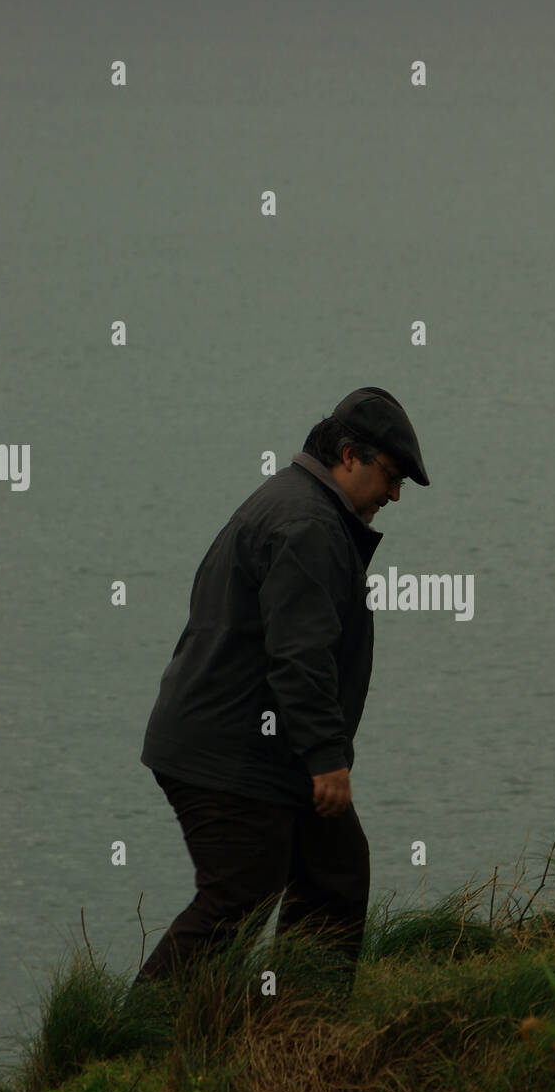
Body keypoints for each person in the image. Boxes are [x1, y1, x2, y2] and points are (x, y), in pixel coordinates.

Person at [133, 386, 430, 993]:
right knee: (238, 896)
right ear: (350, 455)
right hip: (229, 754)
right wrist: (326, 757)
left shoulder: (300, 506)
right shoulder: (308, 525)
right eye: (391, 476)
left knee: (336, 873)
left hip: (257, 745)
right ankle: (131, 1033)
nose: (395, 495)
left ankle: (299, 1023)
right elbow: (299, 656)